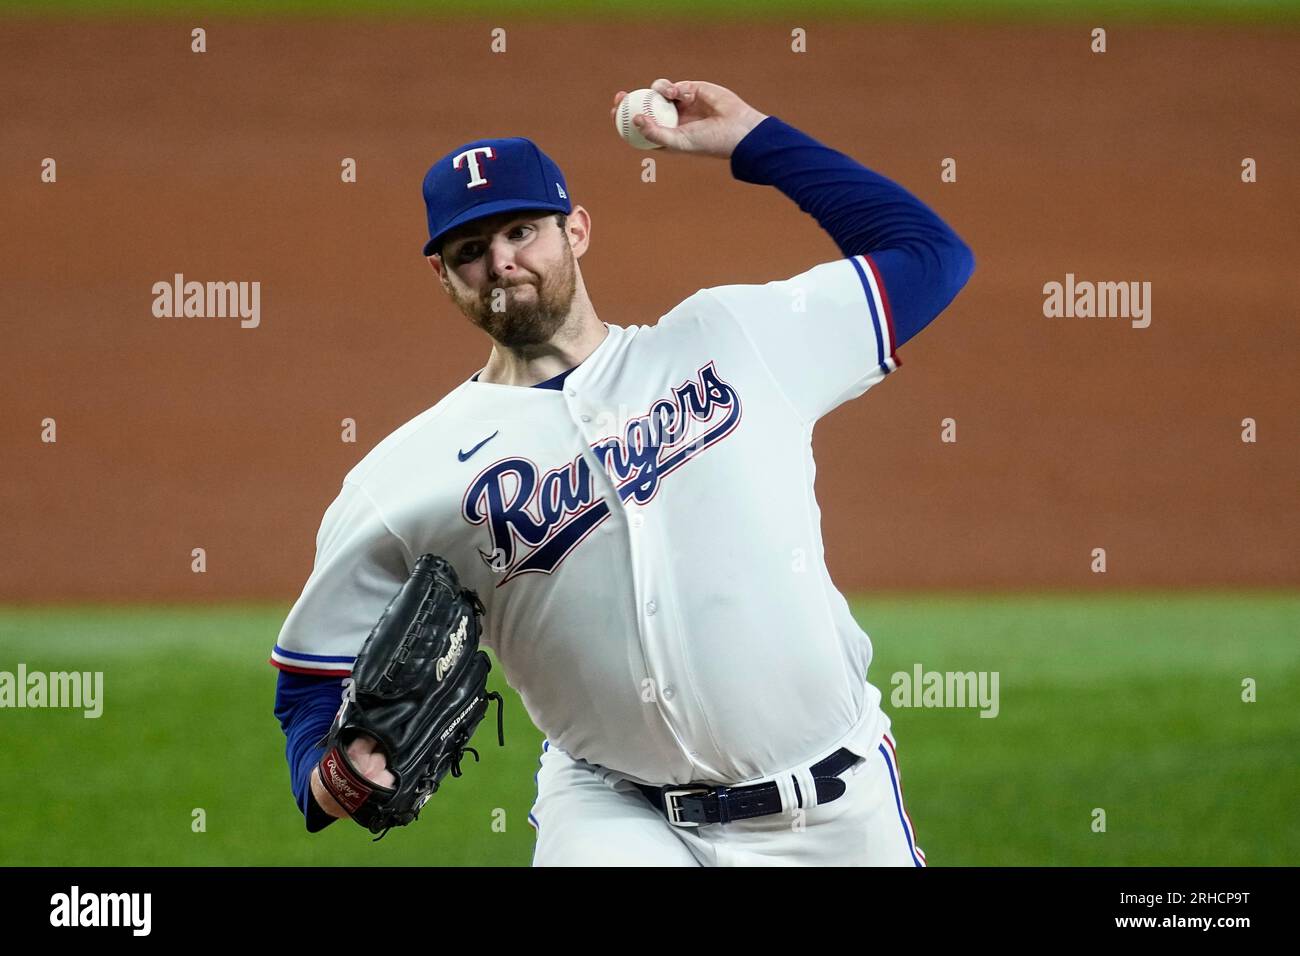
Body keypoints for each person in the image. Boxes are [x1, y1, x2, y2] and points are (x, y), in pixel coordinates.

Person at [271, 78, 973, 865]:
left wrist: (754, 139)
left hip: (837, 812)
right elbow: (308, 679)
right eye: (470, 252)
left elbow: (932, 256)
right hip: (613, 817)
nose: (500, 263)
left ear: (576, 230)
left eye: (521, 232)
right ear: (443, 277)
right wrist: (326, 773)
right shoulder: (402, 478)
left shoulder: (734, 338)